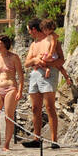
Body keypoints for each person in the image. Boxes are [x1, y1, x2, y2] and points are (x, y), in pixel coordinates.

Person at [24, 19, 60, 148]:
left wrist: (47, 64)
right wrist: (35, 59)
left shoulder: (51, 39)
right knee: (35, 108)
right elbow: (26, 63)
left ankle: (54, 140)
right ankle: (36, 139)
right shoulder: (34, 44)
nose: (29, 33)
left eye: (29, 30)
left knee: (50, 107)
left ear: (34, 29)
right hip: (34, 75)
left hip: (48, 75)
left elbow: (61, 60)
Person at [0, 34, 24, 150]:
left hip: (11, 88)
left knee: (8, 117)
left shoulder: (14, 57)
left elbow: (21, 76)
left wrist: (20, 91)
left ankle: (6, 144)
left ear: (5, 44)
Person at [40, 18, 73, 89]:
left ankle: (46, 69)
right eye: (43, 30)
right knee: (60, 67)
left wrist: (50, 54)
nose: (44, 32)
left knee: (41, 62)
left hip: (53, 55)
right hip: (55, 56)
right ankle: (67, 78)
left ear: (50, 28)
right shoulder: (53, 35)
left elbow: (53, 44)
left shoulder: (51, 36)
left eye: (45, 30)